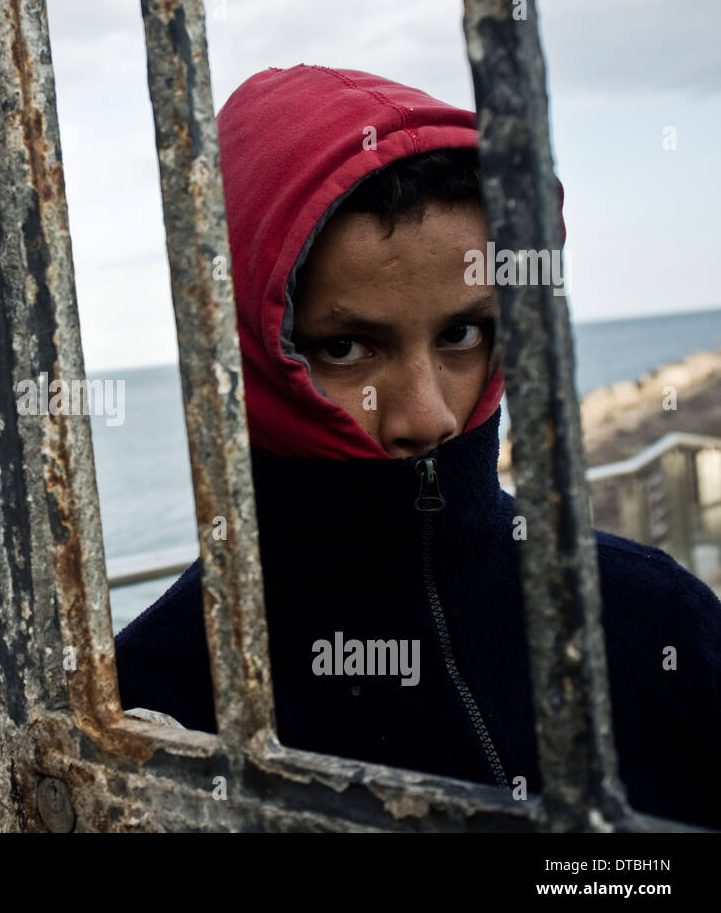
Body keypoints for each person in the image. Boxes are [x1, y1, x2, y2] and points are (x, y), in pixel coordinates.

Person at [113, 66, 721, 829]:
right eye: (345, 348)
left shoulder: (653, 617)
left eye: (463, 333)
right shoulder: (147, 698)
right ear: (245, 353)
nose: (426, 417)